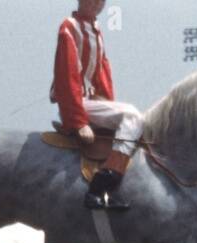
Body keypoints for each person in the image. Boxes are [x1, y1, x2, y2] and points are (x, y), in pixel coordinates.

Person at [52, 0, 143, 210]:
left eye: (100, 1)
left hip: (92, 101)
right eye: (91, 0)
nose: (96, 4)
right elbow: (67, 76)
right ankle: (103, 182)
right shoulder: (69, 27)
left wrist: (108, 103)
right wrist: (78, 121)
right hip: (78, 102)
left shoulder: (96, 28)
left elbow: (102, 72)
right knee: (133, 116)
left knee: (128, 119)